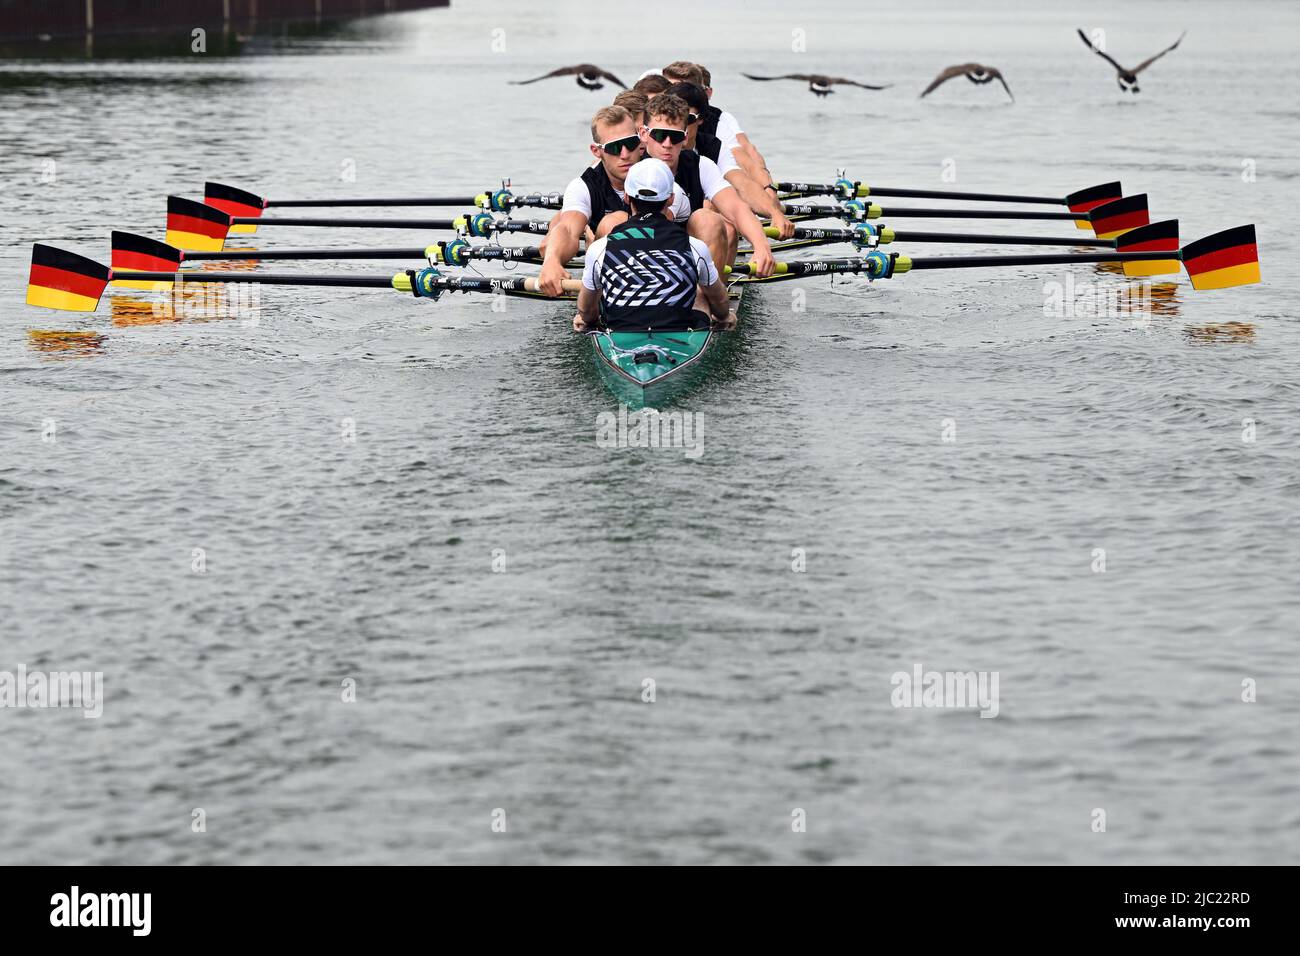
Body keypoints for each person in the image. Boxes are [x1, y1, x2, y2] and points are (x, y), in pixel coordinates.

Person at [538, 105, 692, 297]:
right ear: (596, 151)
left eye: (630, 143)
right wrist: (552, 261)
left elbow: (658, 232)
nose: (625, 154)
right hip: (621, 274)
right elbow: (568, 229)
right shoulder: (583, 186)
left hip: (667, 266)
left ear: (640, 142)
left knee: (616, 222)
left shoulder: (660, 179)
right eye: (614, 148)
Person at [574, 158, 732, 333]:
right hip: (678, 336)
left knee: (600, 299)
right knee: (701, 294)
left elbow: (587, 310)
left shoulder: (600, 248)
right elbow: (720, 302)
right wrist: (725, 317)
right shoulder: (695, 247)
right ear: (671, 199)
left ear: (626, 197)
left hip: (622, 336)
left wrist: (589, 320)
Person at [639, 92, 776, 280]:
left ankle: (708, 301)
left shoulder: (701, 165)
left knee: (711, 220)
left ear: (685, 137)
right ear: (644, 134)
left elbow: (736, 208)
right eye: (660, 135)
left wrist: (761, 247)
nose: (668, 144)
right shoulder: (628, 165)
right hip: (640, 253)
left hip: (688, 251)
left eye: (676, 136)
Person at [665, 80, 794, 238]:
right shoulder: (649, 147)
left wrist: (775, 212)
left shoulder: (712, 146)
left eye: (687, 118)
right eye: (672, 117)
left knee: (726, 226)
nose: (679, 124)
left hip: (700, 223)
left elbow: (742, 184)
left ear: (701, 119)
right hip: (662, 225)